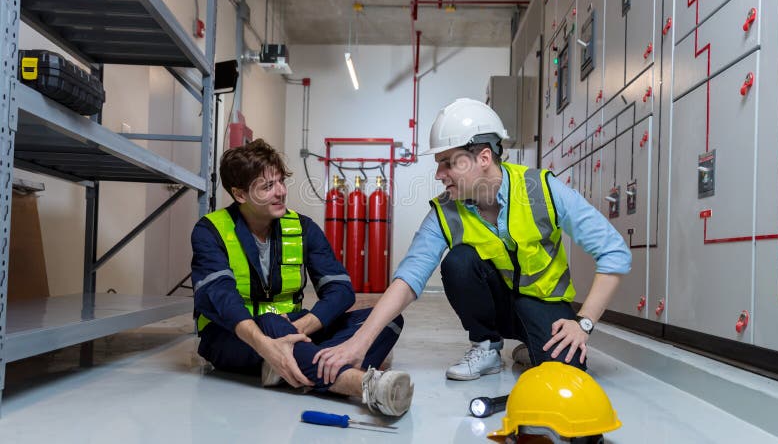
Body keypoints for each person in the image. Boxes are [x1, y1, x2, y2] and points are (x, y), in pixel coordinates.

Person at [313, 98, 631, 383]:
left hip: (542, 303)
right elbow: (409, 278)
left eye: (448, 162)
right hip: (496, 308)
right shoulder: (446, 211)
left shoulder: (542, 190)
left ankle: (532, 346)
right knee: (459, 260)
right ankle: (487, 346)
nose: (439, 174)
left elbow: (614, 253)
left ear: (483, 157)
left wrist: (583, 323)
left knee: (565, 373)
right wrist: (359, 343)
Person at [190, 139, 413, 416]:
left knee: (387, 320)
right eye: (267, 186)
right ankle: (364, 385)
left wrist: (302, 327)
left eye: (281, 181)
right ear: (240, 194)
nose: (281, 192)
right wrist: (266, 344)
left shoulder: (302, 227)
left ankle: (286, 367)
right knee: (271, 322)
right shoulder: (210, 231)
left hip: (294, 330)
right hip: (235, 338)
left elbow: (341, 290)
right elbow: (219, 297)